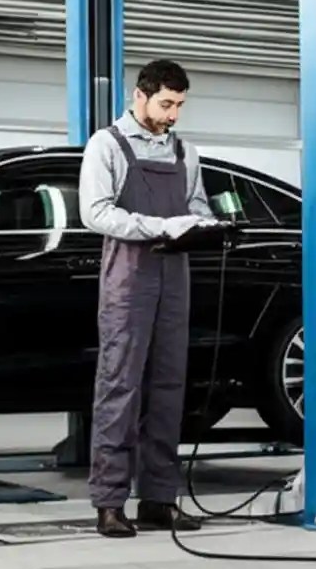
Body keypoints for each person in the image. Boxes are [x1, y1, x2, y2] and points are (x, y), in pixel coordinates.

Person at [78, 59, 216, 538]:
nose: (173, 114)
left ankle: (159, 498)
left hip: (175, 274)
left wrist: (206, 225)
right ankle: (109, 502)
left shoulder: (185, 151)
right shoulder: (107, 145)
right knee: (120, 387)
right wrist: (159, 226)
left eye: (179, 105)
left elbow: (196, 206)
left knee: (169, 387)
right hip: (129, 276)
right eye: (166, 104)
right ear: (140, 95)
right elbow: (95, 213)